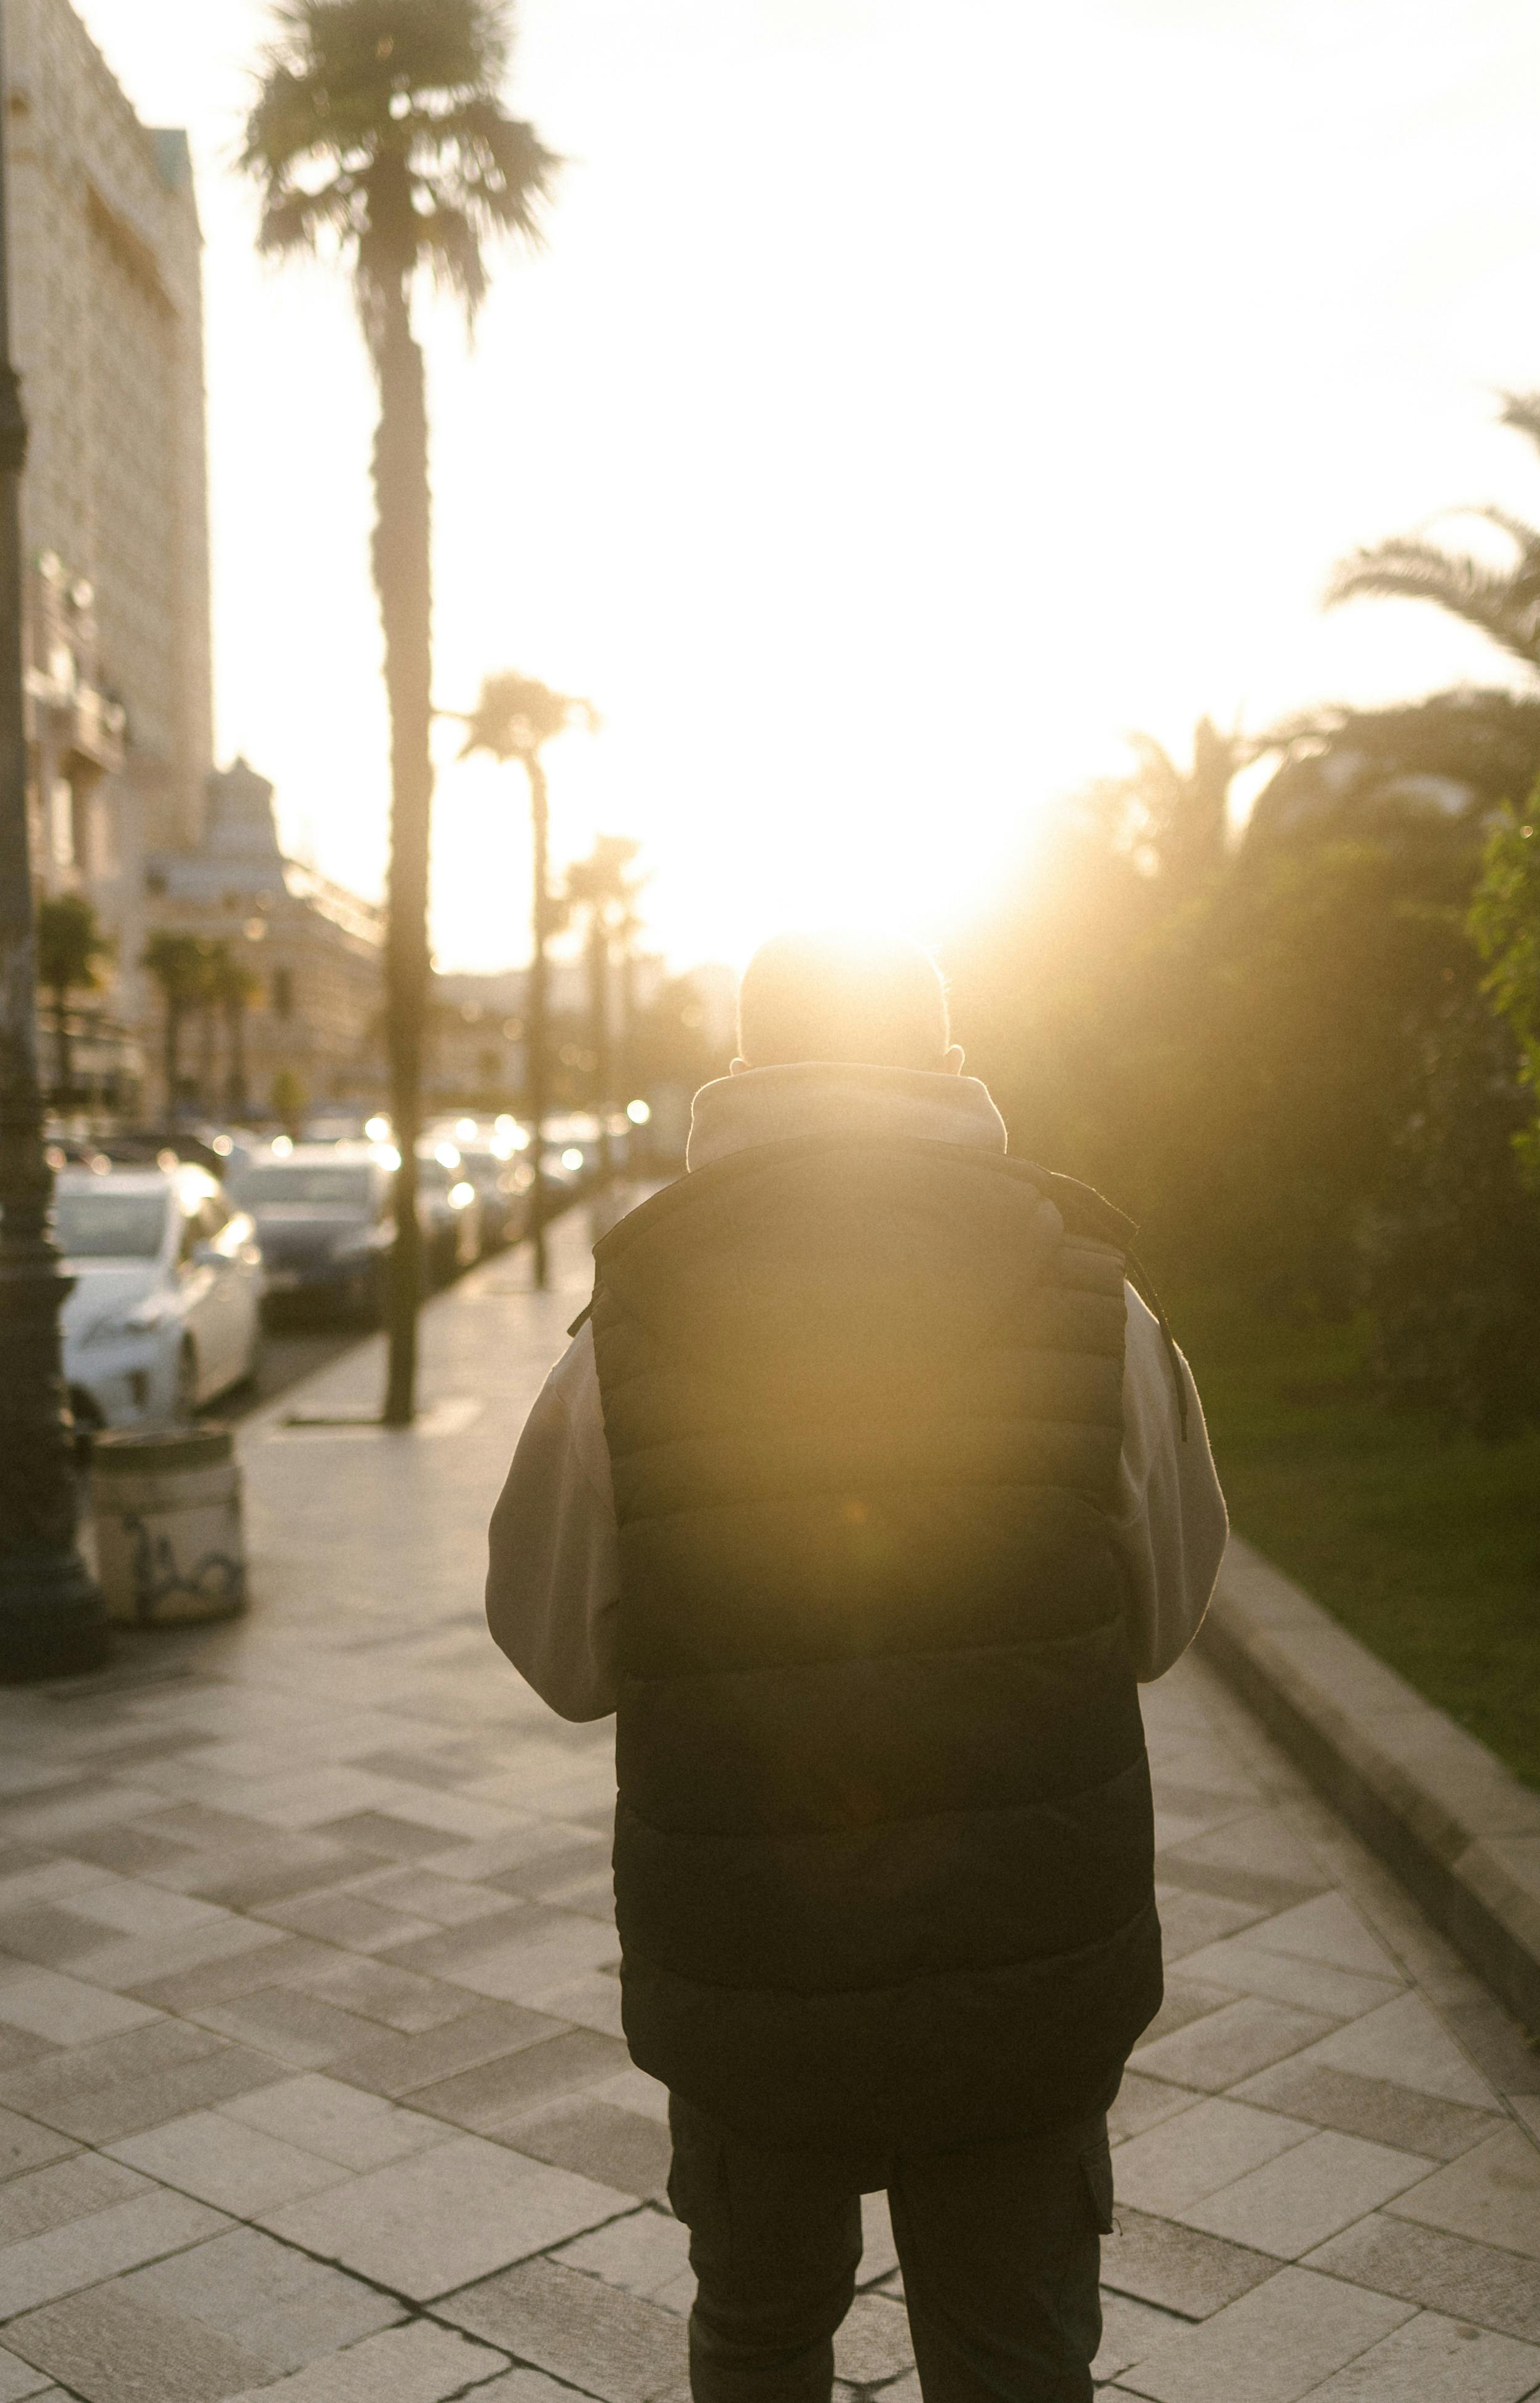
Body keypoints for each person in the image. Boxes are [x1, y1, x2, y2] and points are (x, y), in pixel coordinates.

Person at [486, 927, 1226, 2403]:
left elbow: (561, 1649)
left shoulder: (627, 1322)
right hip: (1023, 1962)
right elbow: (1160, 1619)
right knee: (1015, 2354)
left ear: (745, 1069)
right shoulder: (1101, 1302)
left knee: (760, 2338)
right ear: (948, 1065)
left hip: (753, 1964)